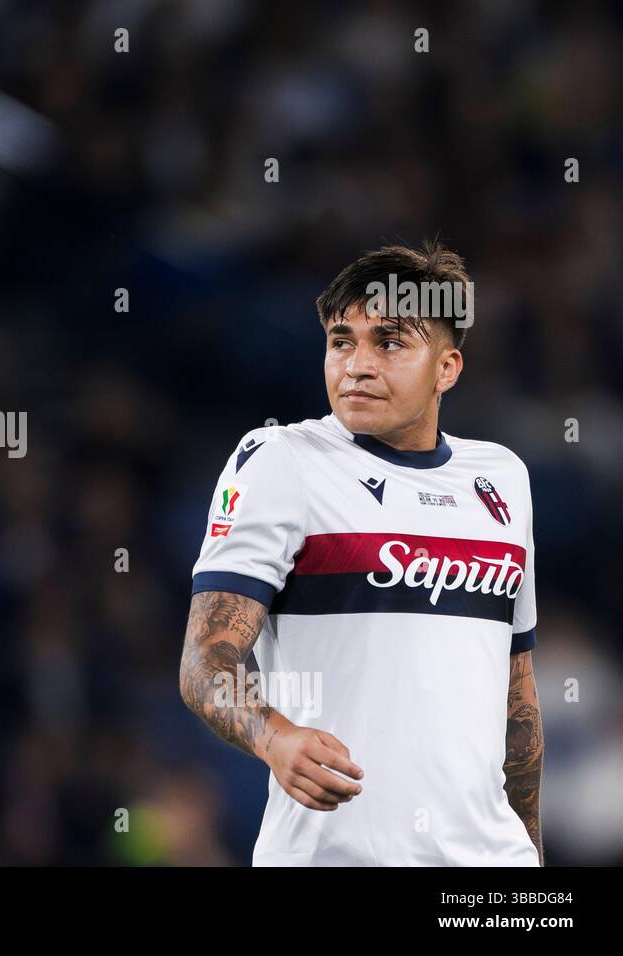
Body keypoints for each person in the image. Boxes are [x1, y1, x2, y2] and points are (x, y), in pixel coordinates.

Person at [178, 241, 543, 866]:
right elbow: (203, 662)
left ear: (447, 368)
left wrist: (532, 856)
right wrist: (275, 739)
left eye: (391, 343)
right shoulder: (280, 460)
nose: (357, 365)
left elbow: (519, 697)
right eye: (342, 341)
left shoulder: (503, 479)